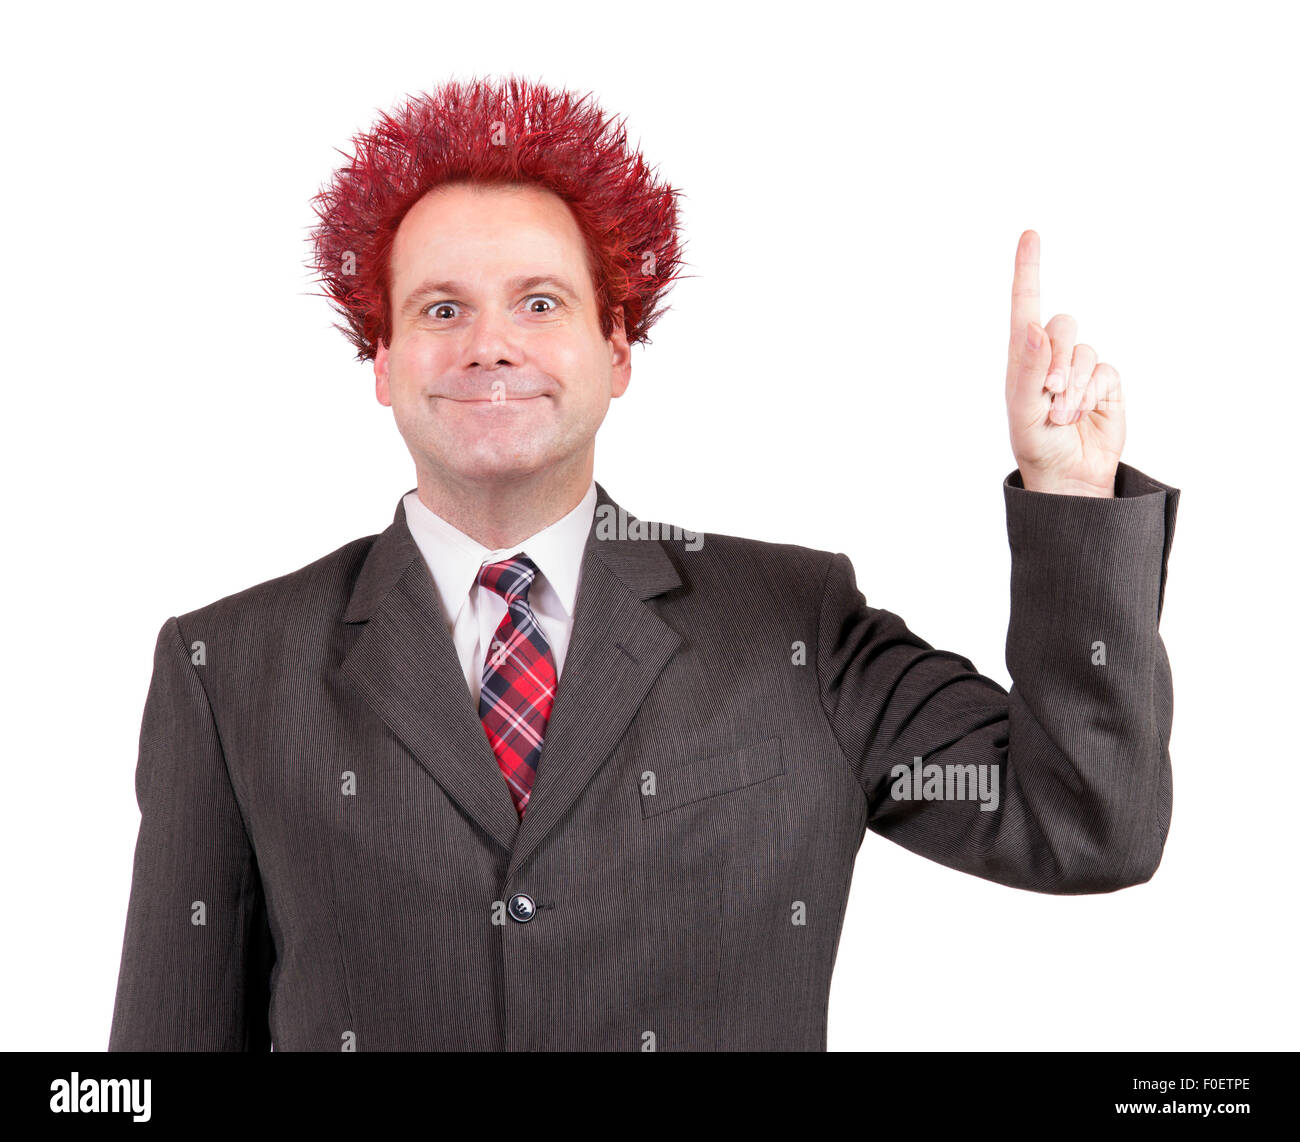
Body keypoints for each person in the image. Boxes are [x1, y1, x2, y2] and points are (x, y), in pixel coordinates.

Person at [108, 75, 1179, 1052]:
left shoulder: (799, 623)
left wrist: (1070, 499)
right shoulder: (229, 666)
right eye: (441, 309)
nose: (490, 345)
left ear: (616, 350)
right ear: (381, 361)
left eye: (539, 302)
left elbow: (1086, 821)